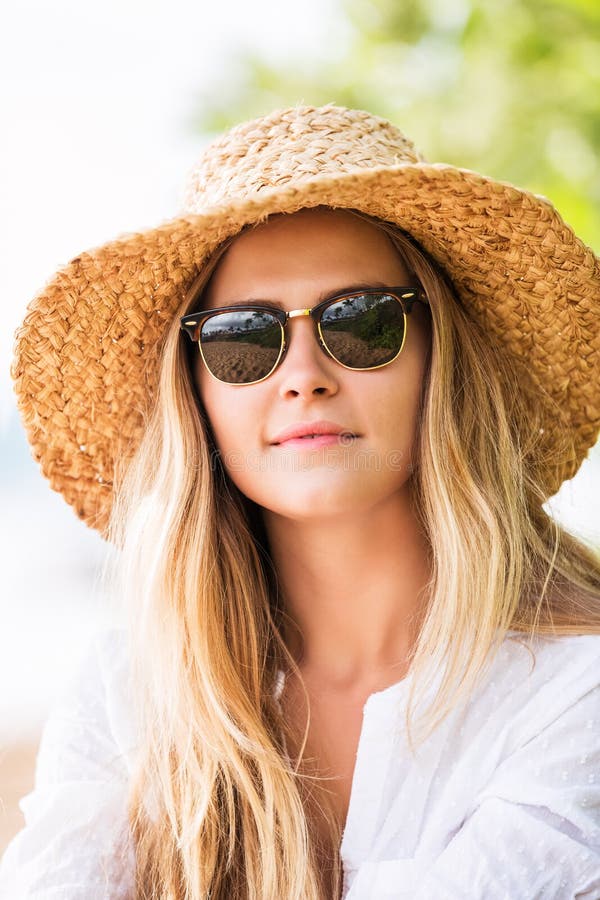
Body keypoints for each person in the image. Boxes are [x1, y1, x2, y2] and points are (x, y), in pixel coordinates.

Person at [1, 104, 600, 900]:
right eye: (243, 338)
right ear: (197, 394)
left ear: (441, 359)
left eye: (362, 322)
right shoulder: (128, 696)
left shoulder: (577, 687)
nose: (304, 374)